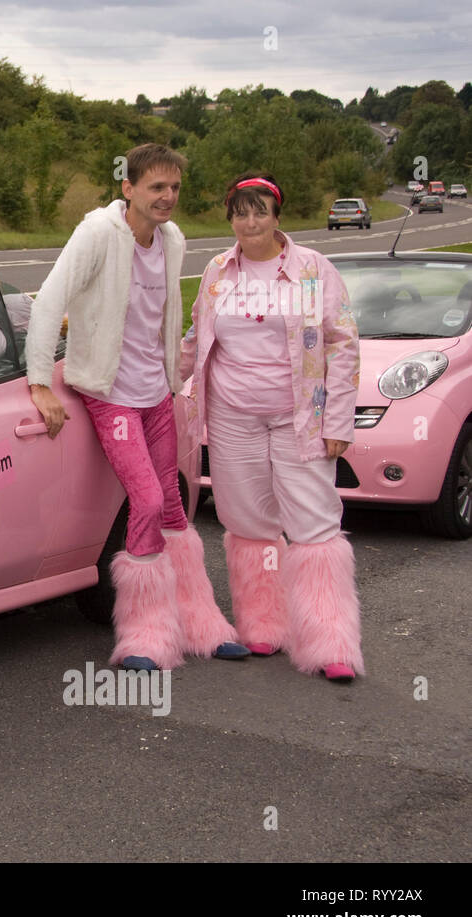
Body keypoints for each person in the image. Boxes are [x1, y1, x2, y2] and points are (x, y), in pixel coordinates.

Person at [25, 143, 245, 671]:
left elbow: (165, 317)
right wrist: (39, 382)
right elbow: (49, 299)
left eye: (174, 188)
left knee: (172, 505)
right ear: (128, 188)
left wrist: (177, 380)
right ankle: (145, 635)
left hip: (157, 395)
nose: (167, 197)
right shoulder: (98, 234)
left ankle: (198, 622)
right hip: (111, 396)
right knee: (145, 502)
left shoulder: (171, 239)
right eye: (156, 188)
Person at [182, 174, 364, 681]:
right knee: (247, 522)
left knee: (315, 525)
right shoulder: (218, 269)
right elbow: (197, 338)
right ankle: (264, 622)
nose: (250, 221)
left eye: (260, 211)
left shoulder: (313, 269)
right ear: (231, 218)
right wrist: (159, 384)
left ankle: (331, 642)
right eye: (241, 212)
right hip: (233, 417)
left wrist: (340, 420)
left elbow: (342, 343)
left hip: (300, 417)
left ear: (277, 215)